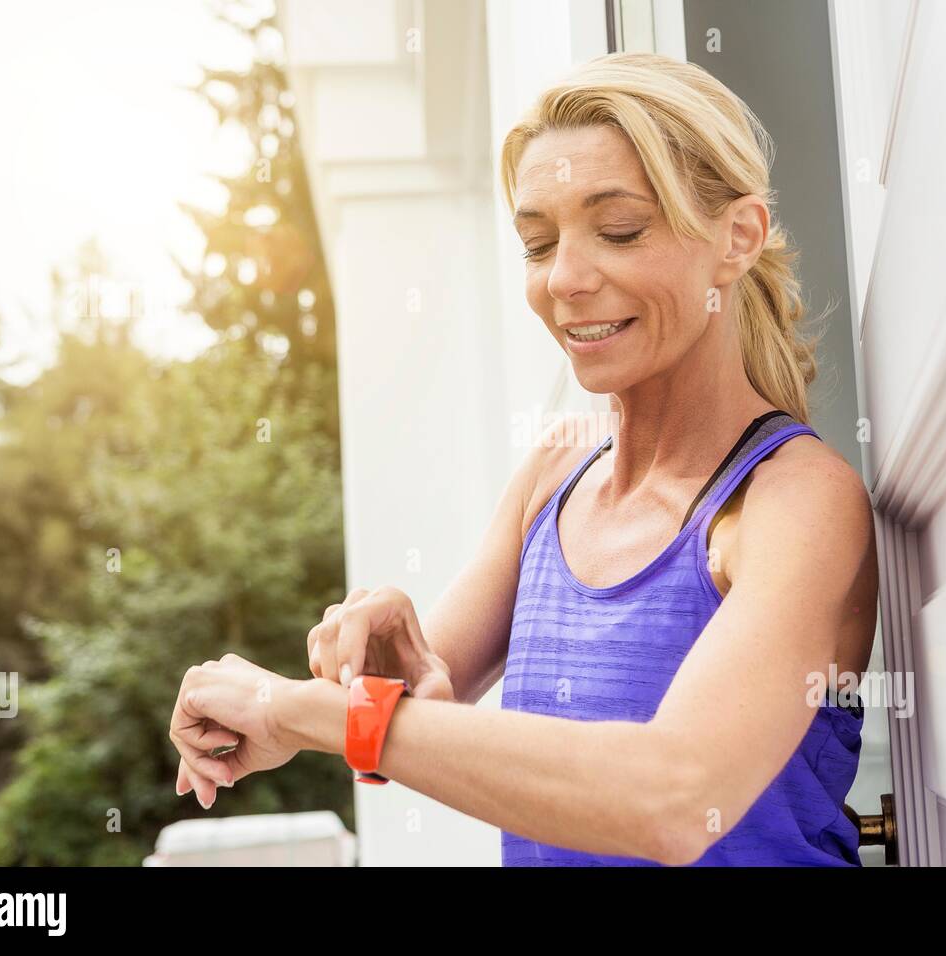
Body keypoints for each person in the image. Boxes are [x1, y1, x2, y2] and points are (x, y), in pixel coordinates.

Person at [168, 51, 878, 867]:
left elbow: (678, 798)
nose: (565, 280)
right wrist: (380, 662)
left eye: (619, 231)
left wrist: (305, 713)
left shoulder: (798, 500)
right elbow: (420, 698)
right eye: (539, 245)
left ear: (737, 238)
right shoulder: (555, 475)